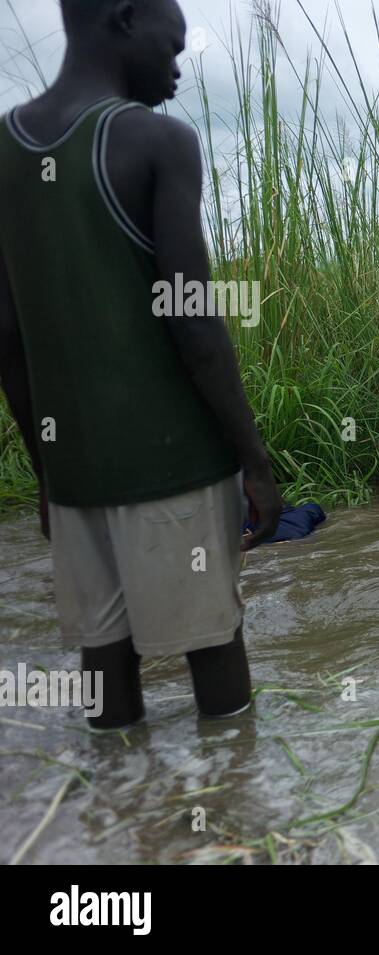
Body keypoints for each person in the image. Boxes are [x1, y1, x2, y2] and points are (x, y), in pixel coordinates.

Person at [0, 0, 282, 728]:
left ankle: (126, 816)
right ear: (125, 19)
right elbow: (191, 318)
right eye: (175, 44)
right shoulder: (158, 141)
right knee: (217, 668)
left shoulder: (5, 150)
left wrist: (46, 471)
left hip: (76, 477)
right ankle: (233, 824)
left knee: (106, 677)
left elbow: (9, 339)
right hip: (173, 467)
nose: (179, 67)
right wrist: (254, 458)